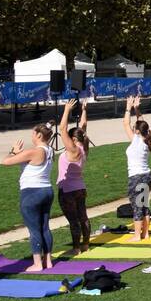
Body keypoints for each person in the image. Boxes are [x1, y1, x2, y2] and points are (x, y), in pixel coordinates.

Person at [4, 122, 55, 270]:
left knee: (34, 229)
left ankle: (38, 263)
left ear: (39, 135)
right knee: (45, 227)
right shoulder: (50, 150)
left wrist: (14, 152)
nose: (31, 136)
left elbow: (6, 162)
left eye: (33, 133)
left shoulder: (35, 151)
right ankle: (48, 261)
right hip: (47, 190)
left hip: (31, 192)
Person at [56, 99, 91, 254]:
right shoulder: (83, 147)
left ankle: (76, 248)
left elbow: (62, 128)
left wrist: (66, 110)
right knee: (83, 217)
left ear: (74, 139)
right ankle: (85, 244)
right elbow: (83, 128)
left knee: (73, 221)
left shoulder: (73, 149)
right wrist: (84, 110)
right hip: (80, 188)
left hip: (68, 190)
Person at [122, 95, 151, 241]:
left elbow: (125, 123)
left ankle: (137, 235)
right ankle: (145, 233)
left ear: (136, 131)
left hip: (136, 177)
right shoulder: (148, 139)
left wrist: (128, 108)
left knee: (137, 206)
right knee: (144, 204)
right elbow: (143, 124)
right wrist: (137, 108)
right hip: (146, 176)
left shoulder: (136, 140)